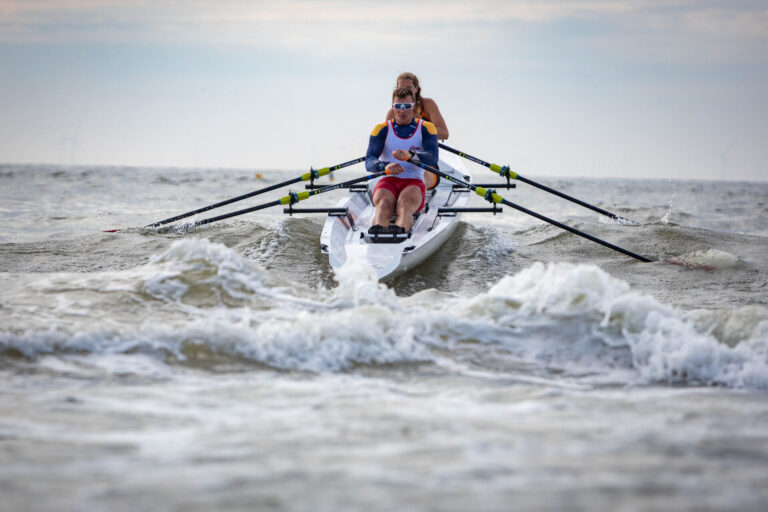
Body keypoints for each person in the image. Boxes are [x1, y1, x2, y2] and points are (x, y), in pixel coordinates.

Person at [365, 87, 439, 235]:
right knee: (383, 205)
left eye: (407, 106)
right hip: (388, 180)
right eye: (398, 106)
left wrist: (411, 155)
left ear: (413, 107)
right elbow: (369, 162)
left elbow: (433, 157)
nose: (402, 110)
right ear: (393, 107)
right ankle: (378, 233)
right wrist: (385, 165)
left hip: (413, 181)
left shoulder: (426, 128)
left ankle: (399, 233)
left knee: (404, 205)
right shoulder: (381, 129)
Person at [385, 72, 447, 190]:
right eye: (401, 88)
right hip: (400, 161)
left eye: (408, 88)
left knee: (419, 182)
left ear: (416, 89)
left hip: (424, 162)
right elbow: (386, 143)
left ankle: (414, 197)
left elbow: (444, 132)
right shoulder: (392, 112)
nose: (405, 91)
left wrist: (419, 132)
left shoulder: (428, 104)